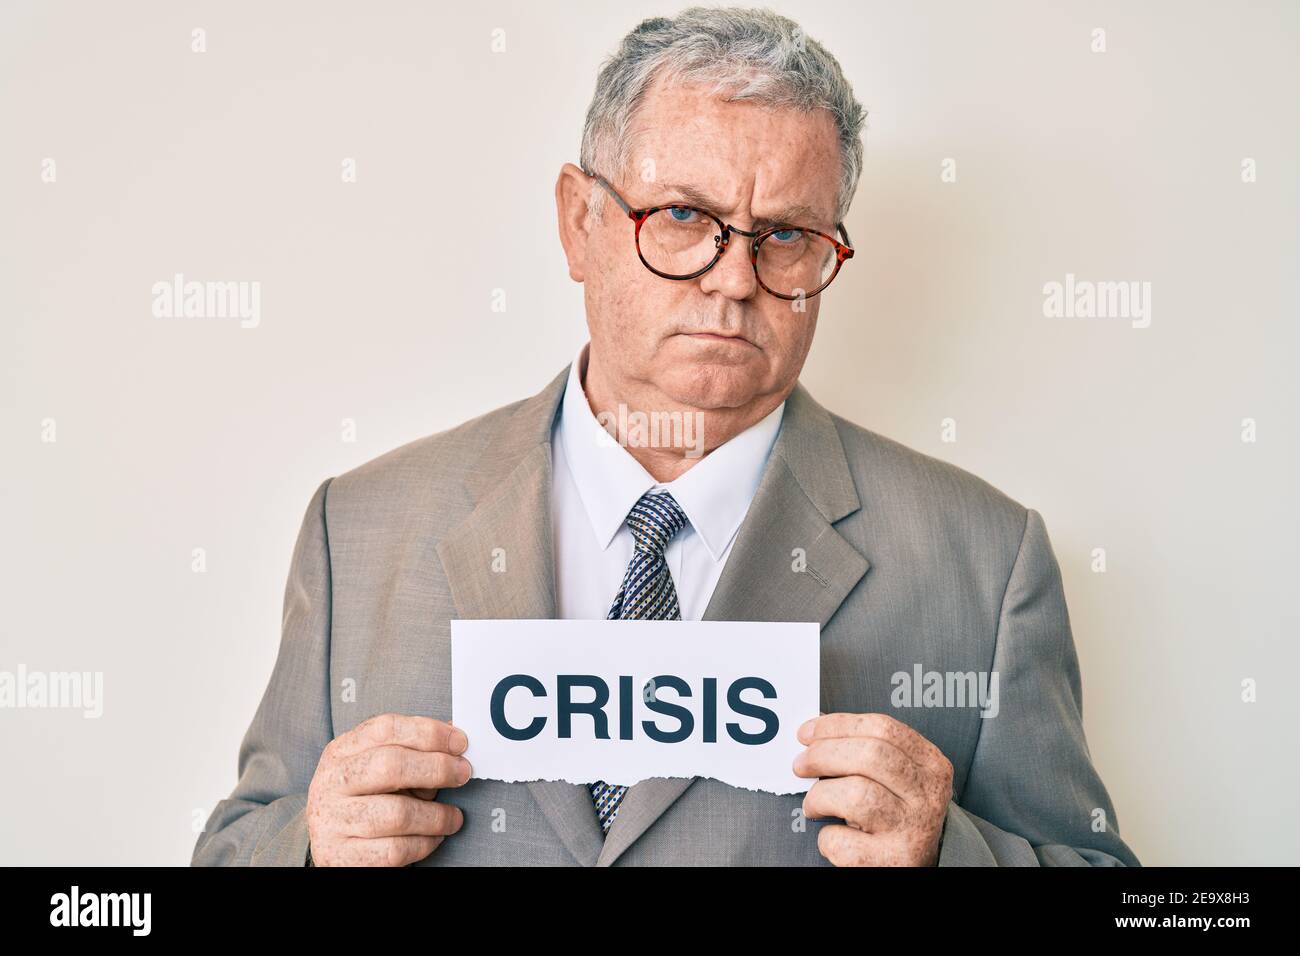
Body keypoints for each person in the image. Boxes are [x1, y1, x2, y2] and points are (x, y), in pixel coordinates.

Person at [192, 6, 1138, 867]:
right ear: (580, 222)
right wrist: (308, 849)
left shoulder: (985, 562)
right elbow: (229, 851)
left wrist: (953, 857)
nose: (733, 280)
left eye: (786, 236)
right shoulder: (356, 530)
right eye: (684, 216)